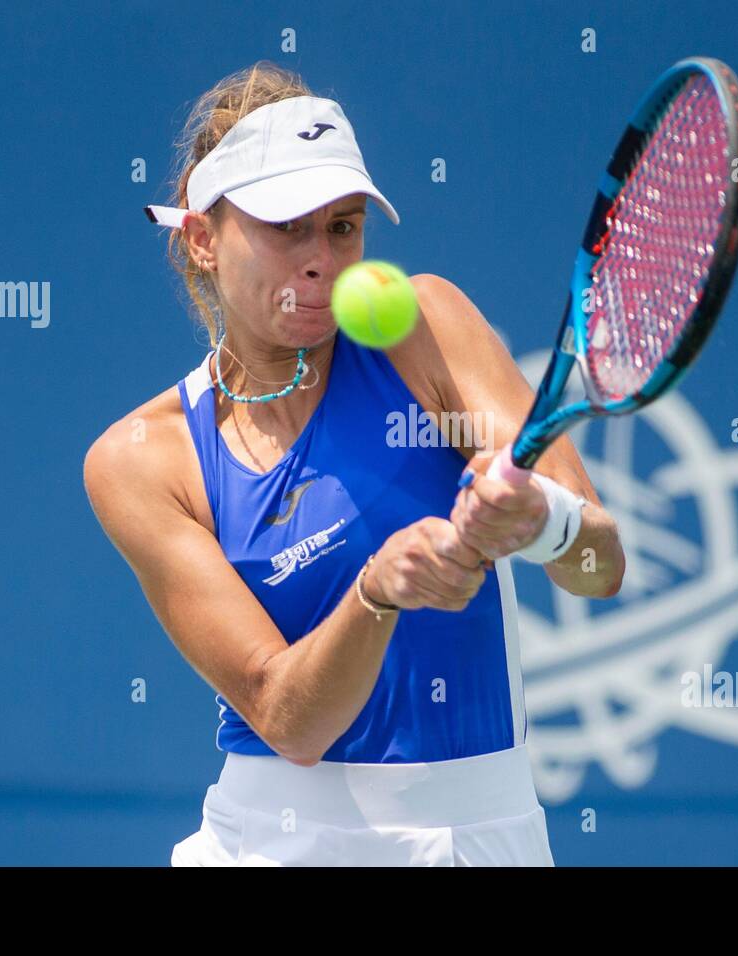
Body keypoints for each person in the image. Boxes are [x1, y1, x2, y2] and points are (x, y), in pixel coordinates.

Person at [83, 61, 625, 866]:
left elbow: (598, 565)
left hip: (476, 837)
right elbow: (287, 716)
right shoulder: (141, 459)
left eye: (342, 227)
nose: (321, 259)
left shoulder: (425, 325)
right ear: (201, 238)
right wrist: (378, 589)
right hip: (266, 844)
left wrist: (542, 520)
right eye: (285, 226)